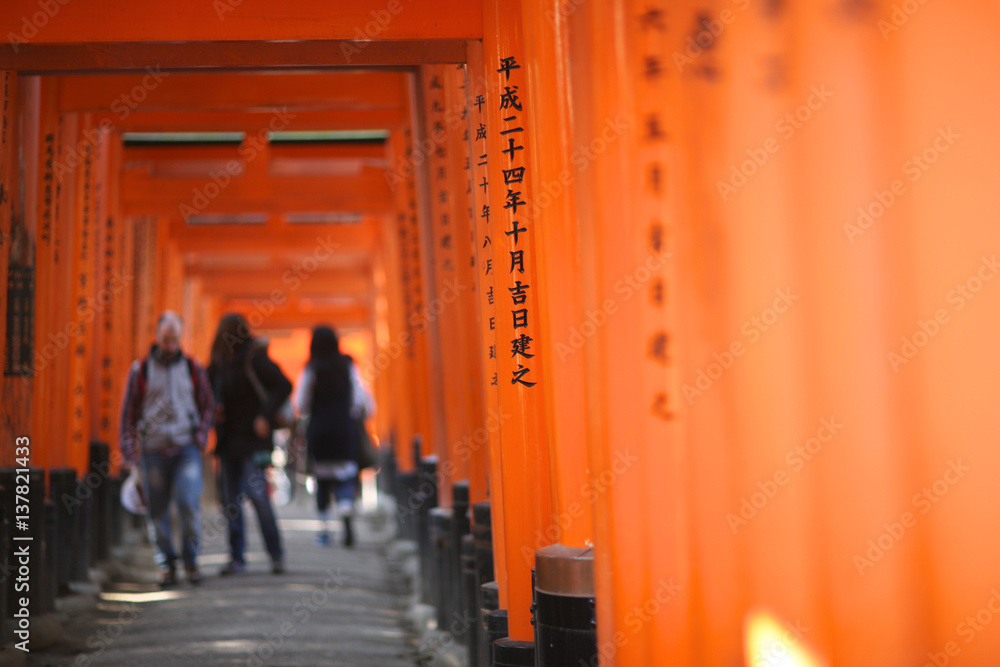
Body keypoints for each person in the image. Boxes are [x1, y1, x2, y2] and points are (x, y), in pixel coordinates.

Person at [120, 311, 214, 587]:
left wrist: (200, 436)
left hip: (186, 448)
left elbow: (207, 404)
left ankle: (191, 560)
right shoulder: (141, 370)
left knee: (187, 504)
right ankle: (166, 564)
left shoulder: (193, 368)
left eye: (174, 340)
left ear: (180, 338)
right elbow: (128, 414)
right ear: (157, 336)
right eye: (165, 339)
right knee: (157, 511)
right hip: (153, 450)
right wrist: (129, 453)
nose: (170, 346)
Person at [208, 313, 292, 574]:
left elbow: (284, 385)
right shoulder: (218, 364)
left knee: (257, 496)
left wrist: (264, 415)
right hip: (228, 441)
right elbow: (205, 392)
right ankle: (236, 557)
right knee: (230, 500)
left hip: (253, 442)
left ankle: (275, 554)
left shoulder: (254, 359)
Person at [295, 325, 374, 547]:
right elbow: (359, 398)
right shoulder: (347, 365)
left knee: (322, 480)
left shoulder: (311, 368)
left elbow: (301, 402)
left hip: (319, 430)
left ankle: (323, 529)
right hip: (344, 428)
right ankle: (345, 507)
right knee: (344, 475)